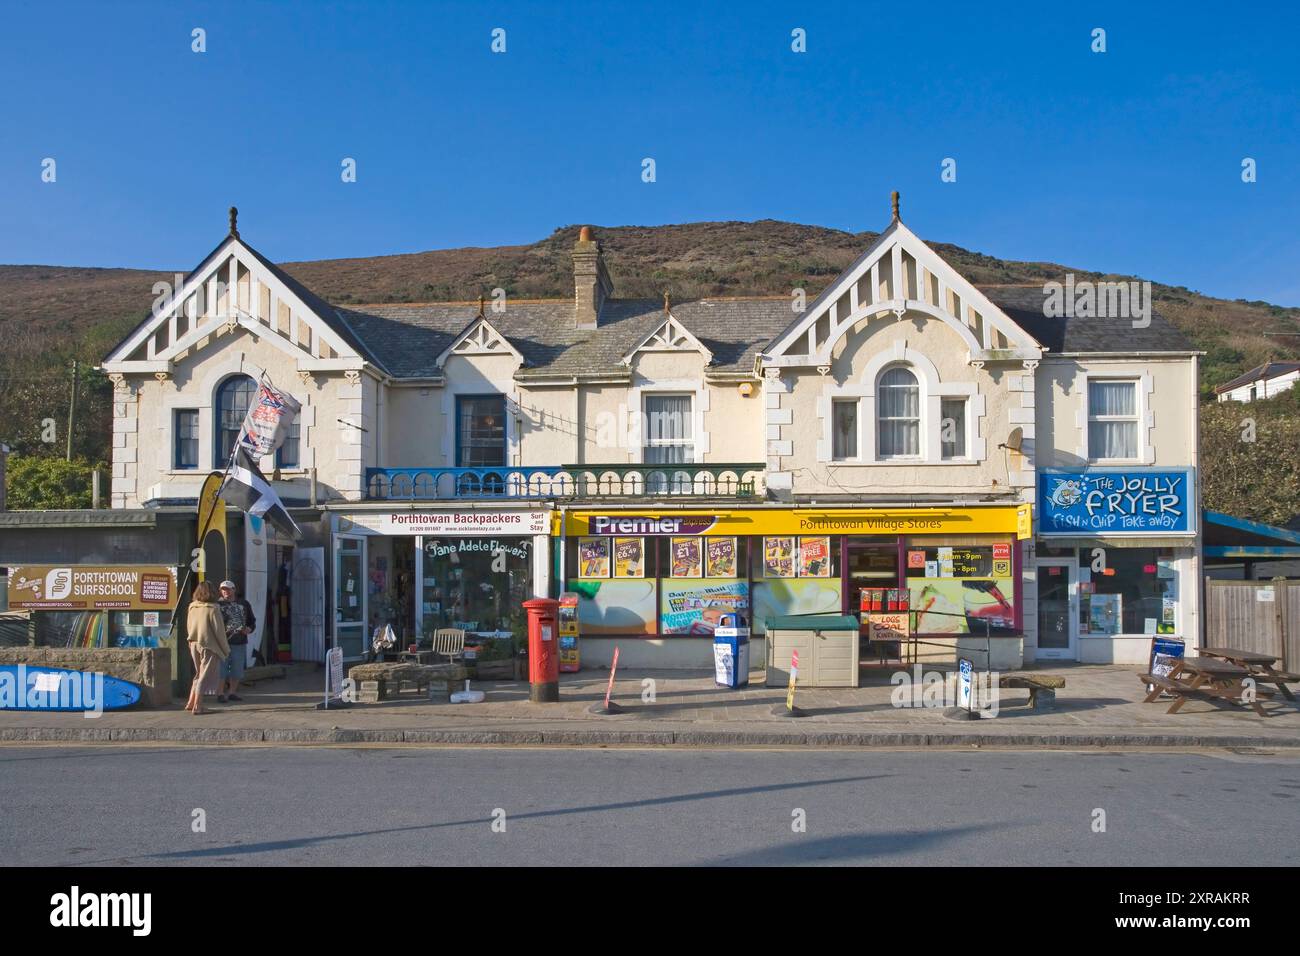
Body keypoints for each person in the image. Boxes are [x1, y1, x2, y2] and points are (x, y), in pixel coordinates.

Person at [185, 581, 229, 716]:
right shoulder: (213, 608)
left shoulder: (192, 606)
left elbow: (188, 625)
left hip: (193, 643)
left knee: (198, 673)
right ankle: (198, 706)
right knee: (205, 675)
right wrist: (225, 649)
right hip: (208, 645)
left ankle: (190, 703)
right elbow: (219, 631)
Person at [218, 580, 257, 703]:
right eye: (223, 590)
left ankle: (232, 692)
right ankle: (220, 693)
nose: (226, 592)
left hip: (239, 641)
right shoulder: (217, 605)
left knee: (237, 668)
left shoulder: (244, 603)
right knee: (221, 669)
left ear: (234, 590)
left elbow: (252, 620)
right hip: (222, 642)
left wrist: (249, 629)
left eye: (228, 589)